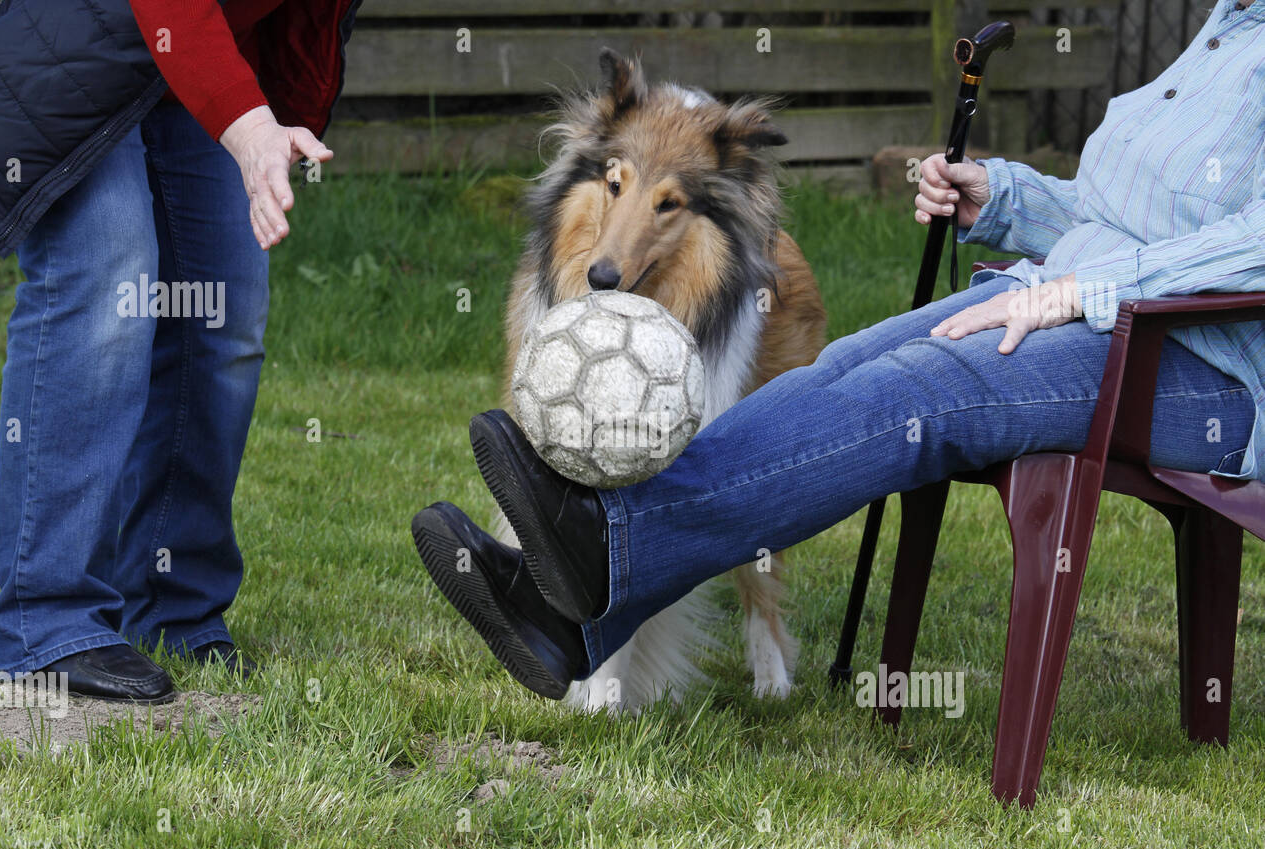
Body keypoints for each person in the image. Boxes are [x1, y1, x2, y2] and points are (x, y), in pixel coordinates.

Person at [413, 0, 1265, 699]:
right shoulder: (1226, 24)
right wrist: (1004, 197)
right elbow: (1129, 216)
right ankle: (586, 586)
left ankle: (596, 562)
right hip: (1060, 306)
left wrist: (1087, 290)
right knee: (845, 366)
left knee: (912, 397)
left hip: (1197, 362)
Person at [0, 1, 359, 702]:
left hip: (185, 44)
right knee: (107, 268)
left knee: (222, 304)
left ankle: (169, 604)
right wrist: (247, 125)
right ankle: (50, 624)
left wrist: (269, 123)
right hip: (55, 25)